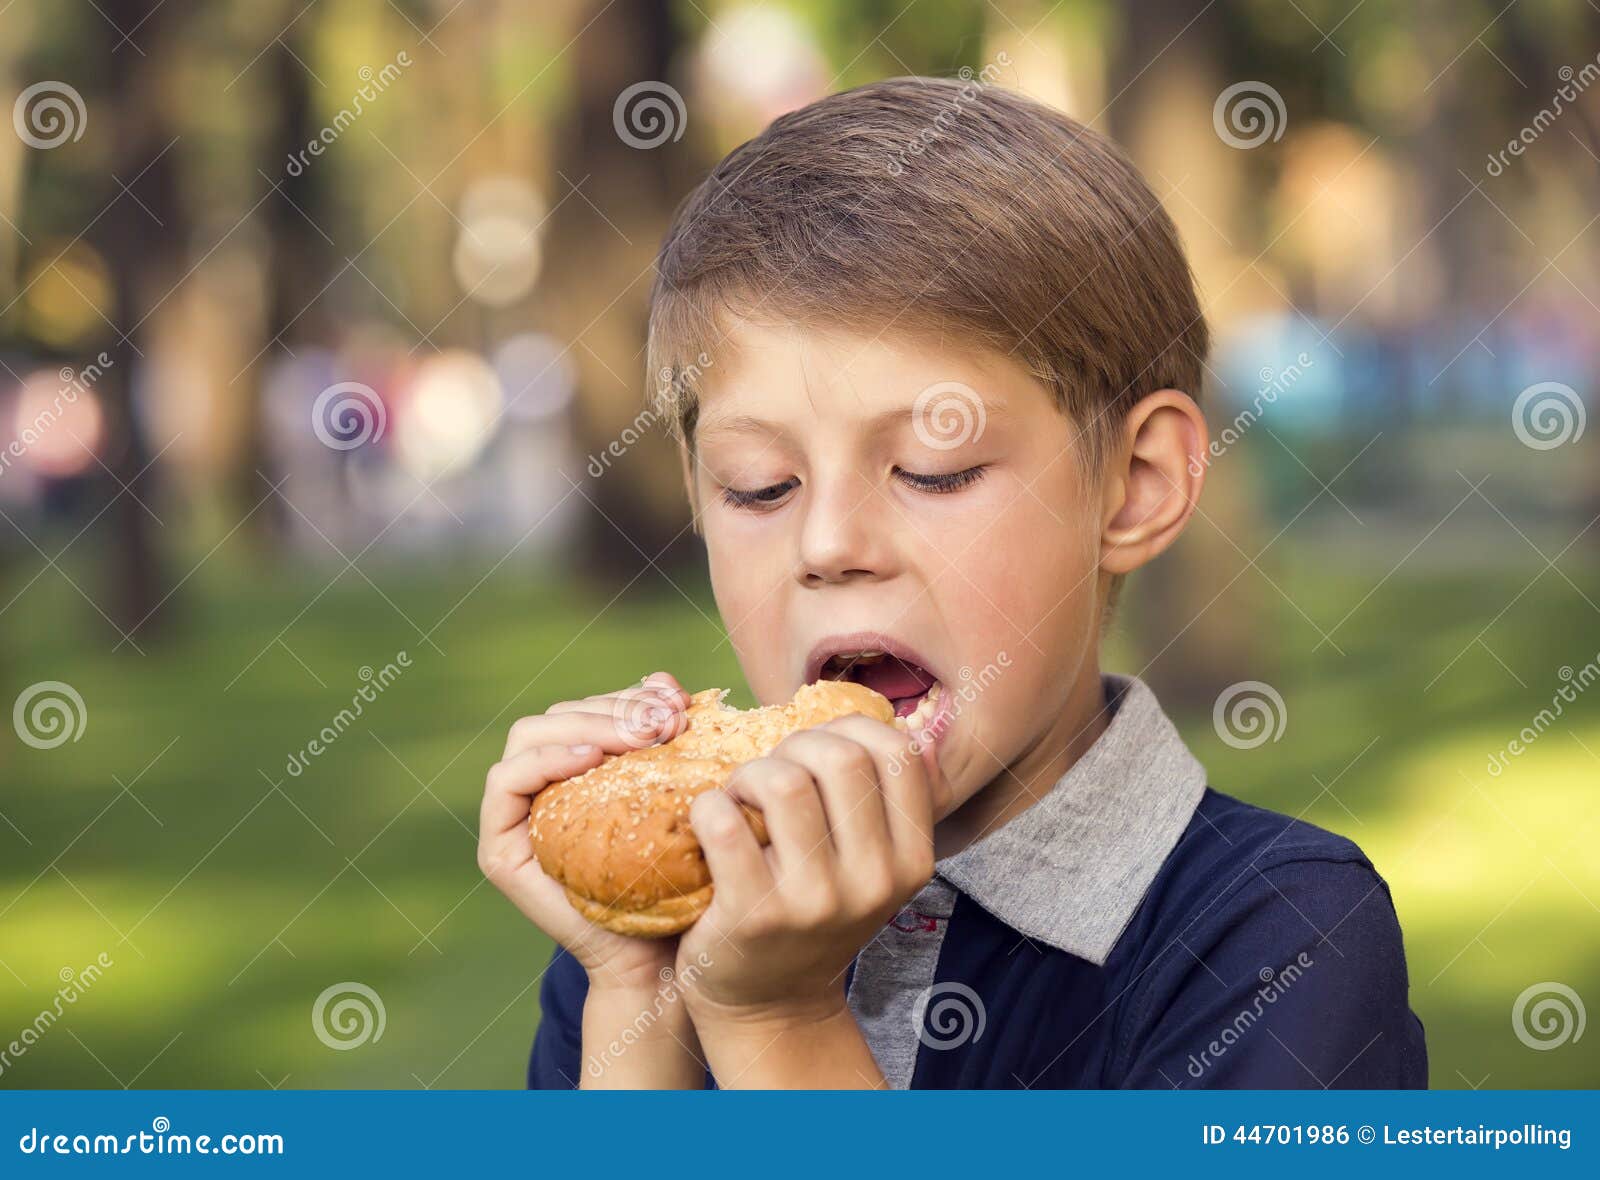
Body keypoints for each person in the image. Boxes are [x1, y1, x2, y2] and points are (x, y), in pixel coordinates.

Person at [477, 77, 1427, 1089]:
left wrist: (776, 1017)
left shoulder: (1278, 937)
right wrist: (639, 993)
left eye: (933, 470)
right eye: (761, 486)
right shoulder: (643, 947)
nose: (828, 543)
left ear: (1135, 486)